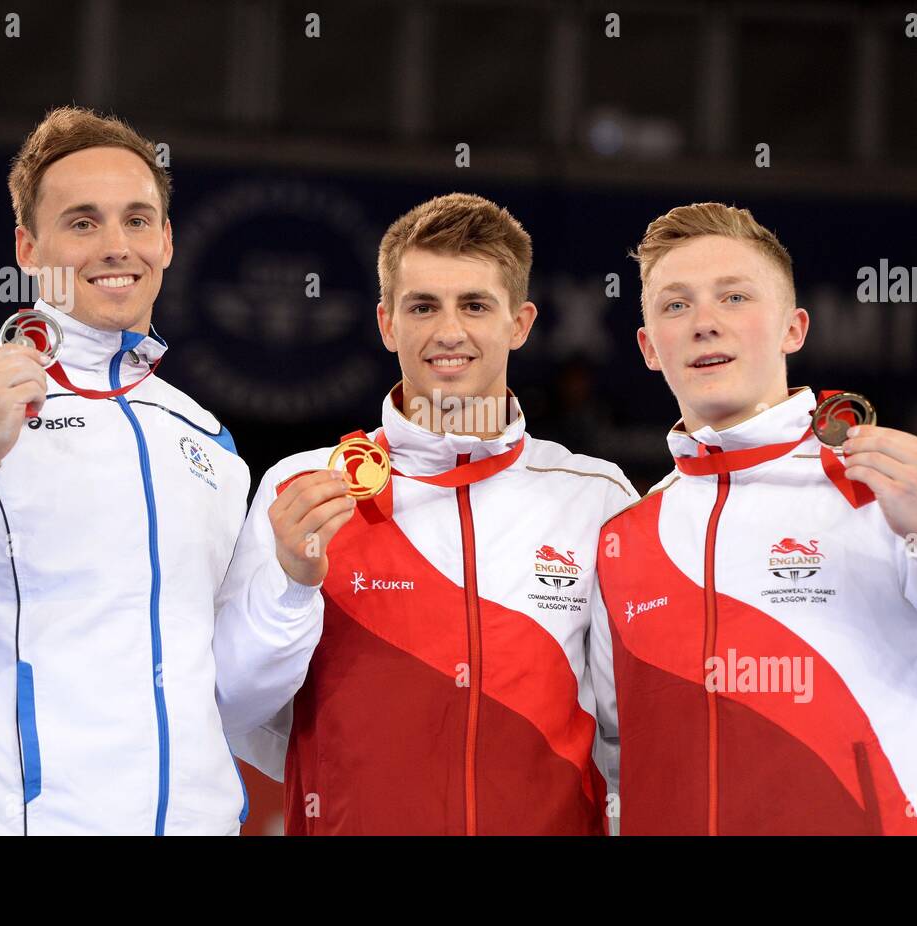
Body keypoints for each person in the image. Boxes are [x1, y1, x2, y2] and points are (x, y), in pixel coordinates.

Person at [0, 106, 314, 835]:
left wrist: (291, 585)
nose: (116, 246)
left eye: (137, 220)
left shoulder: (208, 442)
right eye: (82, 223)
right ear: (28, 248)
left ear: (169, 241)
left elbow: (230, 694)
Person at [591, 202, 917, 835]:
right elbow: (617, 761)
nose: (704, 324)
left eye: (735, 298)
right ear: (647, 347)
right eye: (675, 305)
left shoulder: (886, 483)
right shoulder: (625, 539)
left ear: (793, 329)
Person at [233, 193, 636, 834]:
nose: (449, 331)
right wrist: (290, 590)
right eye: (423, 306)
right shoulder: (304, 485)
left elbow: (626, 735)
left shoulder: (595, 496)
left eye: (475, 304)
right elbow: (236, 707)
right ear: (387, 323)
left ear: (520, 323)